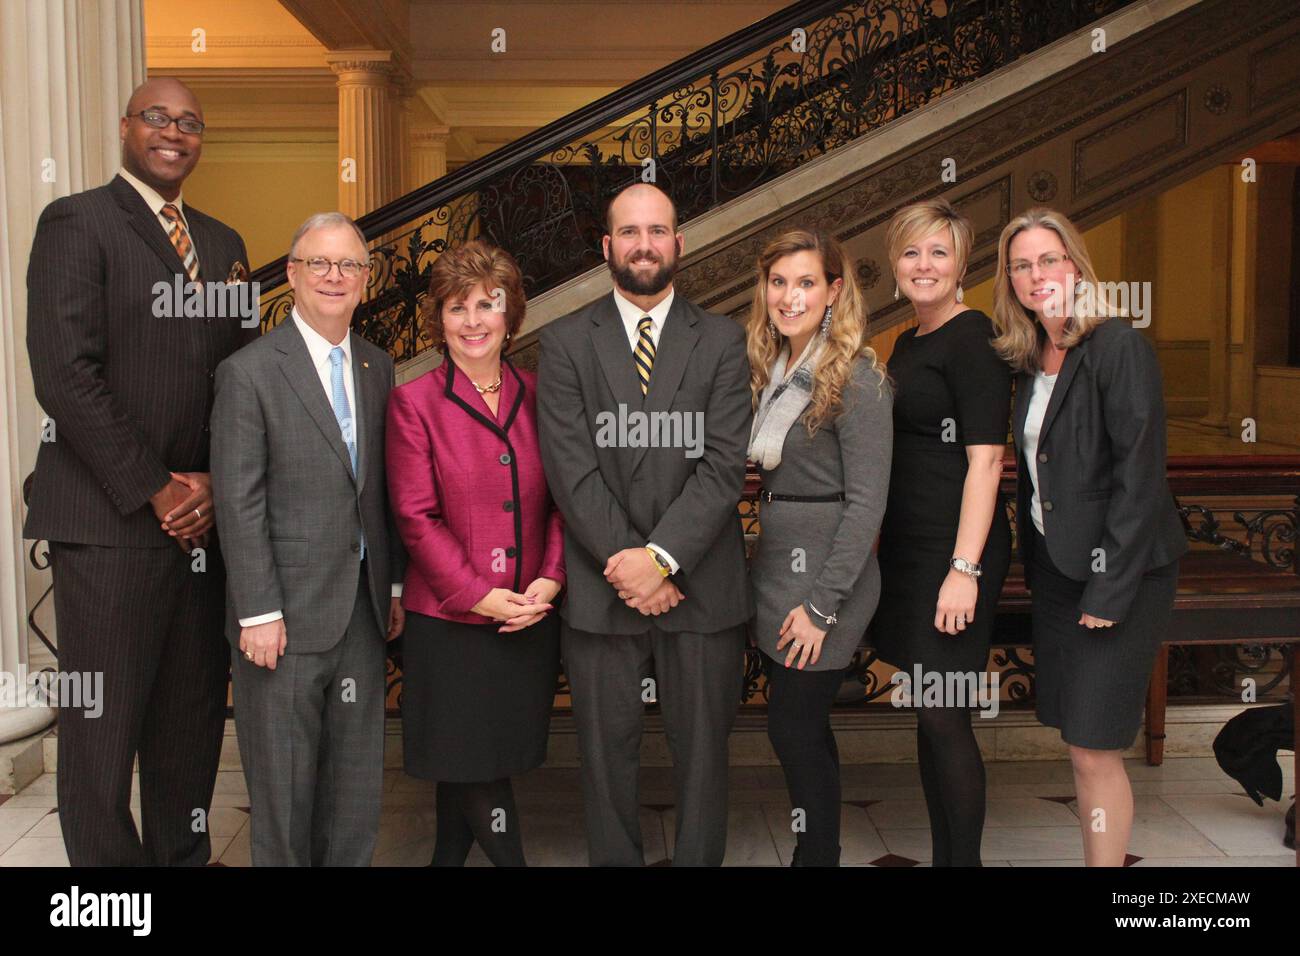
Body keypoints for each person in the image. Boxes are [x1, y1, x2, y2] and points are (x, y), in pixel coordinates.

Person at [24, 77, 253, 866]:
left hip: (203, 530)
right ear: (127, 127)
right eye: (159, 117)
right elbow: (65, 377)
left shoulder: (224, 245)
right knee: (102, 731)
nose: (175, 132)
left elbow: (241, 380)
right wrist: (159, 488)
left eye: (191, 122)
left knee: (188, 724)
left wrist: (220, 483)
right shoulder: (76, 223)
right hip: (110, 523)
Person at [537, 182, 752, 866]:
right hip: (604, 591)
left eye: (657, 231)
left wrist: (660, 558)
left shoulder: (721, 339)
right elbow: (571, 471)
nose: (644, 244)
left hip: (701, 587)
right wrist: (632, 564)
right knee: (605, 763)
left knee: (703, 763)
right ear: (607, 247)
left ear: (679, 244)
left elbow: (723, 467)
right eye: (629, 232)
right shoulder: (566, 342)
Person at [211, 212, 406, 866]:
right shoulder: (250, 372)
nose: (334, 276)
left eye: (348, 264)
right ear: (292, 274)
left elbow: (381, 489)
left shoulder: (380, 367)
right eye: (318, 263)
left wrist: (395, 583)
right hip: (283, 622)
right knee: (285, 792)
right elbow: (239, 499)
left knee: (354, 789)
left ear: (366, 279)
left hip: (363, 611)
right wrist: (259, 611)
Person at [993, 207, 1186, 866]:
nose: (1036, 273)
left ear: (1075, 265)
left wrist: (1108, 589)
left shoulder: (1117, 346)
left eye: (1049, 260)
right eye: (1022, 264)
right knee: (1075, 735)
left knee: (1095, 744)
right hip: (1057, 570)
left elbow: (1140, 479)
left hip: (1120, 575)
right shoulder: (1028, 356)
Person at [386, 240, 565, 866]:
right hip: (451, 621)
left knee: (471, 761)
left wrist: (549, 581)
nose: (472, 320)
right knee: (470, 761)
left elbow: (565, 501)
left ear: (510, 314)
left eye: (487, 305)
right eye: (457, 307)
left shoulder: (545, 394)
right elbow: (416, 516)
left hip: (527, 616)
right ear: (439, 320)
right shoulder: (414, 404)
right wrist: (479, 595)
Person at [745, 230, 891, 866]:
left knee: (792, 726)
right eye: (779, 282)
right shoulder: (771, 370)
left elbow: (866, 505)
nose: (789, 295)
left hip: (828, 581)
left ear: (834, 291)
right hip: (777, 567)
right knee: (803, 729)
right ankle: (819, 849)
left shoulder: (859, 378)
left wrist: (824, 605)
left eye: (805, 282)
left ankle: (816, 857)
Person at [873, 198, 1012, 867]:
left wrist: (965, 568)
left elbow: (986, 460)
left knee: (943, 711)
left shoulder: (974, 336)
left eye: (938, 252)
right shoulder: (907, 340)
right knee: (929, 714)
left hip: (955, 552)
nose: (923, 265)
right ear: (895, 265)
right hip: (910, 549)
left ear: (961, 265)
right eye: (910, 252)